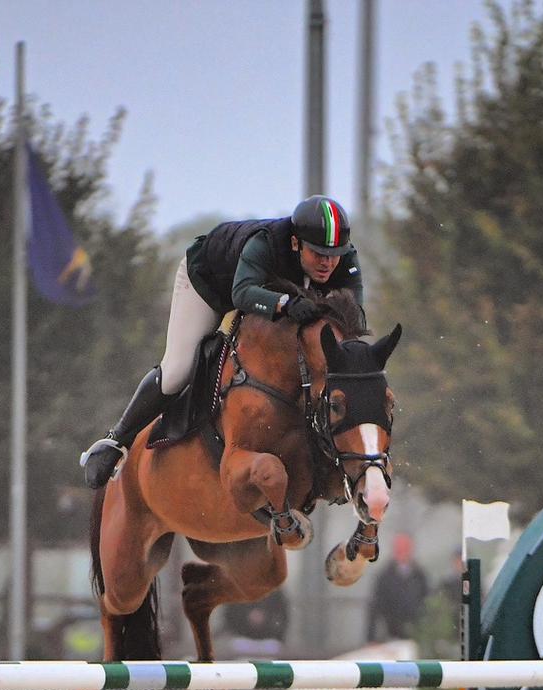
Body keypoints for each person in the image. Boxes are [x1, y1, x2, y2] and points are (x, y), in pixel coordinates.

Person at [80, 195, 365, 488]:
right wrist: (285, 303)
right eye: (318, 254)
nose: (328, 263)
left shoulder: (343, 259)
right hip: (209, 285)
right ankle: (115, 441)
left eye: (334, 254)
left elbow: (354, 319)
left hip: (259, 293)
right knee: (178, 370)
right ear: (295, 243)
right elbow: (242, 293)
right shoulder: (265, 244)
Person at [366, 533, 430, 642]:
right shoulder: (384, 576)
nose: (402, 551)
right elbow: (375, 607)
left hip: (416, 636)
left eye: (405, 547)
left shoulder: (420, 576)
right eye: (399, 548)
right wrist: (371, 638)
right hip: (391, 636)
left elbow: (427, 603)